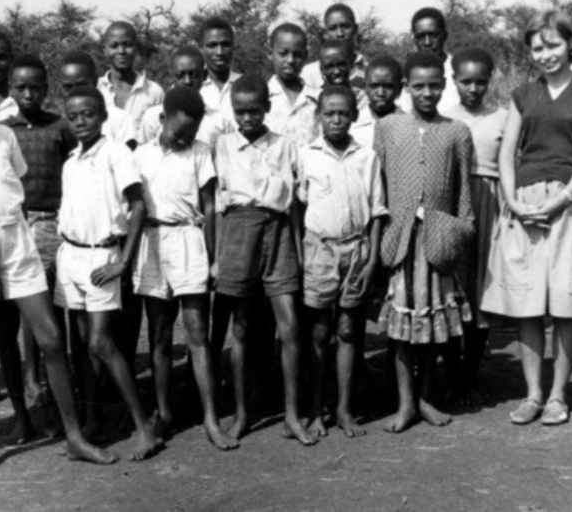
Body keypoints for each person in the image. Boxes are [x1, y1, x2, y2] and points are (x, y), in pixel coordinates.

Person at [0, 69, 117, 475]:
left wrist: (16, 232)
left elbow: (20, 185)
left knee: (50, 338)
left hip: (16, 236)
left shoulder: (2, 136)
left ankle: (75, 438)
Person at [481, 11, 572, 426]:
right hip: (525, 206)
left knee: (567, 304)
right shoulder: (522, 95)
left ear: (570, 45)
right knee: (527, 305)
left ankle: (558, 396)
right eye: (538, 48)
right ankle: (532, 395)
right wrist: (513, 200)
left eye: (553, 45)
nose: (546, 54)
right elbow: (507, 154)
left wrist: (563, 198)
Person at [55, 86, 164, 461]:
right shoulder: (71, 161)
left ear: (103, 116)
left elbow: (138, 206)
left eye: (88, 114)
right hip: (71, 254)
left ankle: (144, 427)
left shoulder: (116, 152)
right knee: (83, 343)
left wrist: (123, 261)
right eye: (73, 116)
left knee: (101, 342)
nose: (80, 122)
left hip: (102, 257)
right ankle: (93, 421)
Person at [133, 86, 238, 450]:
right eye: (179, 132)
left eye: (191, 133)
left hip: (189, 241)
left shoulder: (200, 152)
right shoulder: (141, 155)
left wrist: (211, 257)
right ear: (162, 119)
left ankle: (210, 418)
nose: (184, 139)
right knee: (159, 334)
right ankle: (163, 412)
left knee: (197, 334)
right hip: (153, 244)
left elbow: (209, 206)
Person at [375, 51, 474, 433]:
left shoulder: (456, 132)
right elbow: (378, 184)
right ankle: (405, 404)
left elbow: (463, 191)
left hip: (438, 240)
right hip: (400, 240)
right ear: (406, 87)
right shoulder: (387, 127)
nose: (427, 93)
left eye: (434, 86)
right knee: (402, 329)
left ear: (444, 85)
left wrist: (460, 230)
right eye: (419, 86)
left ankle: (426, 398)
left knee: (432, 326)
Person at [214, 74, 315, 446]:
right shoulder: (223, 145)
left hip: (278, 232)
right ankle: (242, 414)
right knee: (241, 328)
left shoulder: (285, 145)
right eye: (240, 112)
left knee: (289, 327)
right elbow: (217, 205)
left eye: (254, 111)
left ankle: (291, 415)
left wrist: (298, 251)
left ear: (267, 108)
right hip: (238, 232)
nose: (247, 118)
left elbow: (294, 206)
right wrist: (218, 255)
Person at [298, 85, 386, 438]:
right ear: (319, 116)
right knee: (319, 331)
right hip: (319, 250)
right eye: (329, 113)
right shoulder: (307, 155)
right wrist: (302, 253)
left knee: (349, 330)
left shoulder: (367, 157)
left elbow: (377, 212)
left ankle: (345, 410)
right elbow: (299, 206)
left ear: (354, 116)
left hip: (357, 250)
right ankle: (315, 409)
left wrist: (372, 260)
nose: (336, 120)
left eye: (343, 113)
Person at [1, 54, 80, 440]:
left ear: (47, 89)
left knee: (51, 314)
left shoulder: (60, 127)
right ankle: (32, 391)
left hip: (53, 224)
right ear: (10, 90)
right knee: (24, 317)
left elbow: (75, 171)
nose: (28, 94)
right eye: (21, 87)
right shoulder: (1, 132)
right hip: (17, 225)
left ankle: (57, 396)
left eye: (36, 87)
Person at [443, 47, 507, 406]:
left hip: (490, 205)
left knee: (481, 291)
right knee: (453, 290)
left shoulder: (503, 117)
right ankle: (451, 377)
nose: (473, 88)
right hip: (452, 204)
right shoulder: (443, 117)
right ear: (453, 80)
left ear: (489, 80)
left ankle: (470, 377)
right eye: (465, 81)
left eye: (480, 81)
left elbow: (511, 166)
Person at [138, 47, 234, 149]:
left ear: (204, 75)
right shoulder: (152, 117)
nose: (187, 81)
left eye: (194, 75)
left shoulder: (220, 120)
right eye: (180, 75)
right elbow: (144, 153)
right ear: (171, 75)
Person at [59, 51, 137, 149]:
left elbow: (128, 155)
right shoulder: (57, 124)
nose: (75, 92)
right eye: (68, 87)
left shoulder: (119, 119)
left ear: (95, 81)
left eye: (81, 85)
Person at [97, 21, 164, 128]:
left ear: (136, 48)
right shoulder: (96, 89)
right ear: (105, 50)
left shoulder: (154, 92)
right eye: (114, 46)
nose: (121, 51)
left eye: (127, 45)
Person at [266, 23, 320, 150]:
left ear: (305, 56)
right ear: (270, 53)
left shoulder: (318, 98)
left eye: (297, 55)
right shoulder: (261, 97)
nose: (290, 60)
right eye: (283, 53)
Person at [397, 8, 459, 113]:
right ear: (414, 39)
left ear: (444, 35)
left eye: (433, 35)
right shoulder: (408, 72)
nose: (427, 42)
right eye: (420, 37)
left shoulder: (459, 70)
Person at [301, 3, 368, 89]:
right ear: (325, 33)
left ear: (355, 29)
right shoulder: (309, 74)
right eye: (333, 28)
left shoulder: (369, 71)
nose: (340, 34)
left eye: (345, 27)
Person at [351, 56, 403, 149]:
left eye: (388, 86)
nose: (381, 93)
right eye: (374, 86)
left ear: (399, 88)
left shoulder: (412, 127)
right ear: (365, 87)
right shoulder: (353, 125)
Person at [199, 16, 242, 121]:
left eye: (225, 45)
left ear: (233, 46)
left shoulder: (246, 85)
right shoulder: (191, 88)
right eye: (212, 45)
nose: (219, 52)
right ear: (201, 48)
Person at [317, 39, 369, 111]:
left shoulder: (362, 98)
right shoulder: (315, 100)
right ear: (322, 70)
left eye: (341, 65)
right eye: (330, 66)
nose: (337, 72)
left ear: (351, 64)